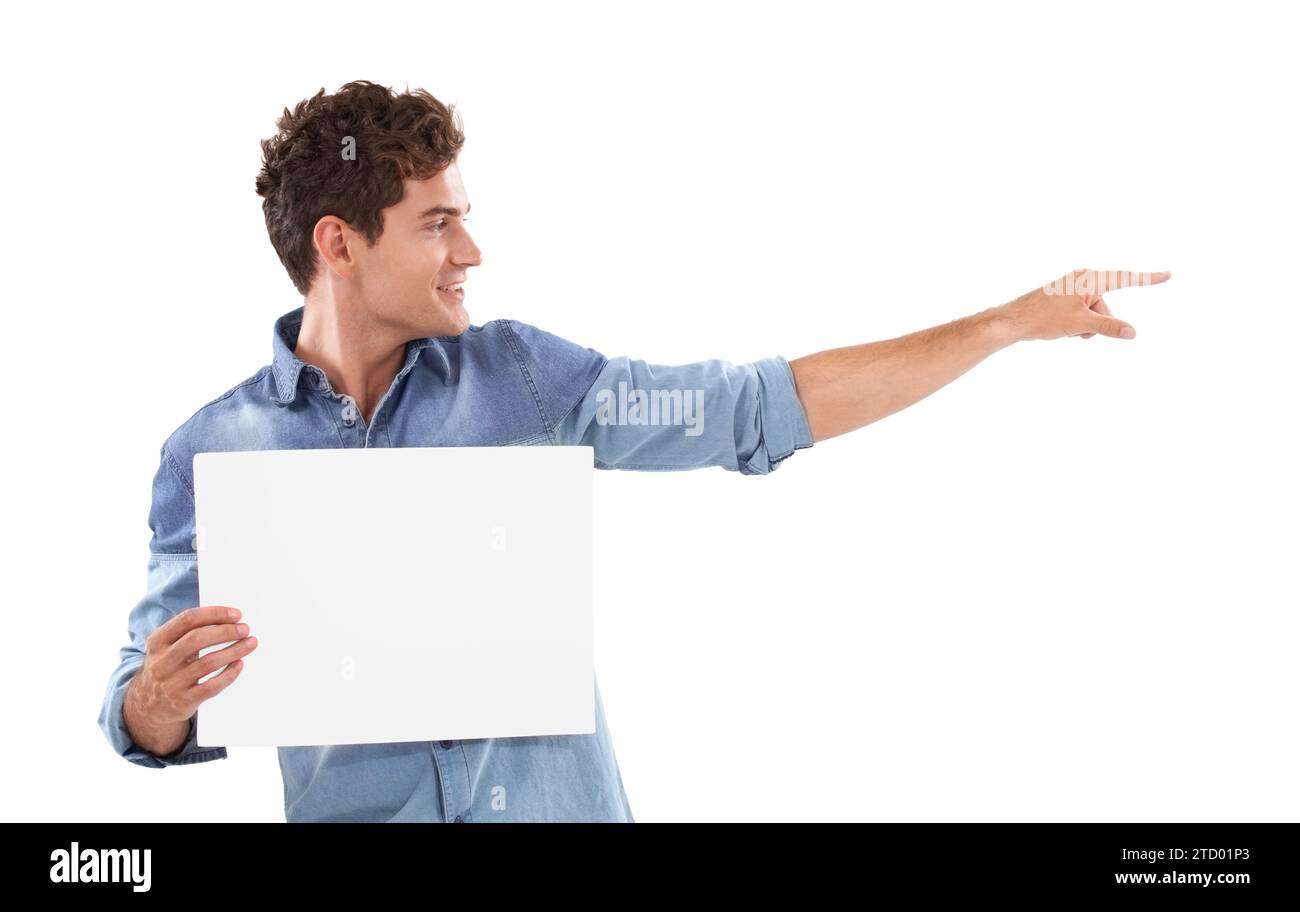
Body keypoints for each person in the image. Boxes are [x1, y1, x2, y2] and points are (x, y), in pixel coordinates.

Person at [97, 80, 1170, 823]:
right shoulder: (212, 452)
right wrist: (156, 705)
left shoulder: (522, 380)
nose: (472, 250)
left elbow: (757, 408)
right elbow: (137, 709)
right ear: (338, 243)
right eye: (436, 223)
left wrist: (1004, 324)